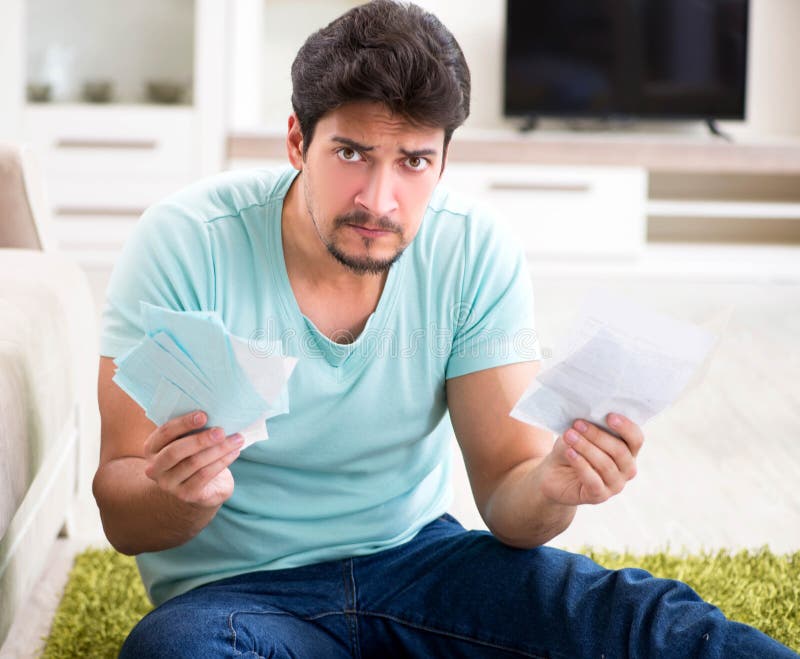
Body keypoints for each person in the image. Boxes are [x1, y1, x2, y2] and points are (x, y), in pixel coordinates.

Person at [93, 2, 797, 657]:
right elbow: (122, 511)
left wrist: (554, 483)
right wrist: (175, 497)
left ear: (444, 161)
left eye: (413, 161)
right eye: (350, 153)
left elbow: (508, 497)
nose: (379, 198)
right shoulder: (185, 244)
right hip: (235, 595)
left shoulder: (473, 249)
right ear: (296, 140)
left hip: (417, 563)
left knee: (630, 612)